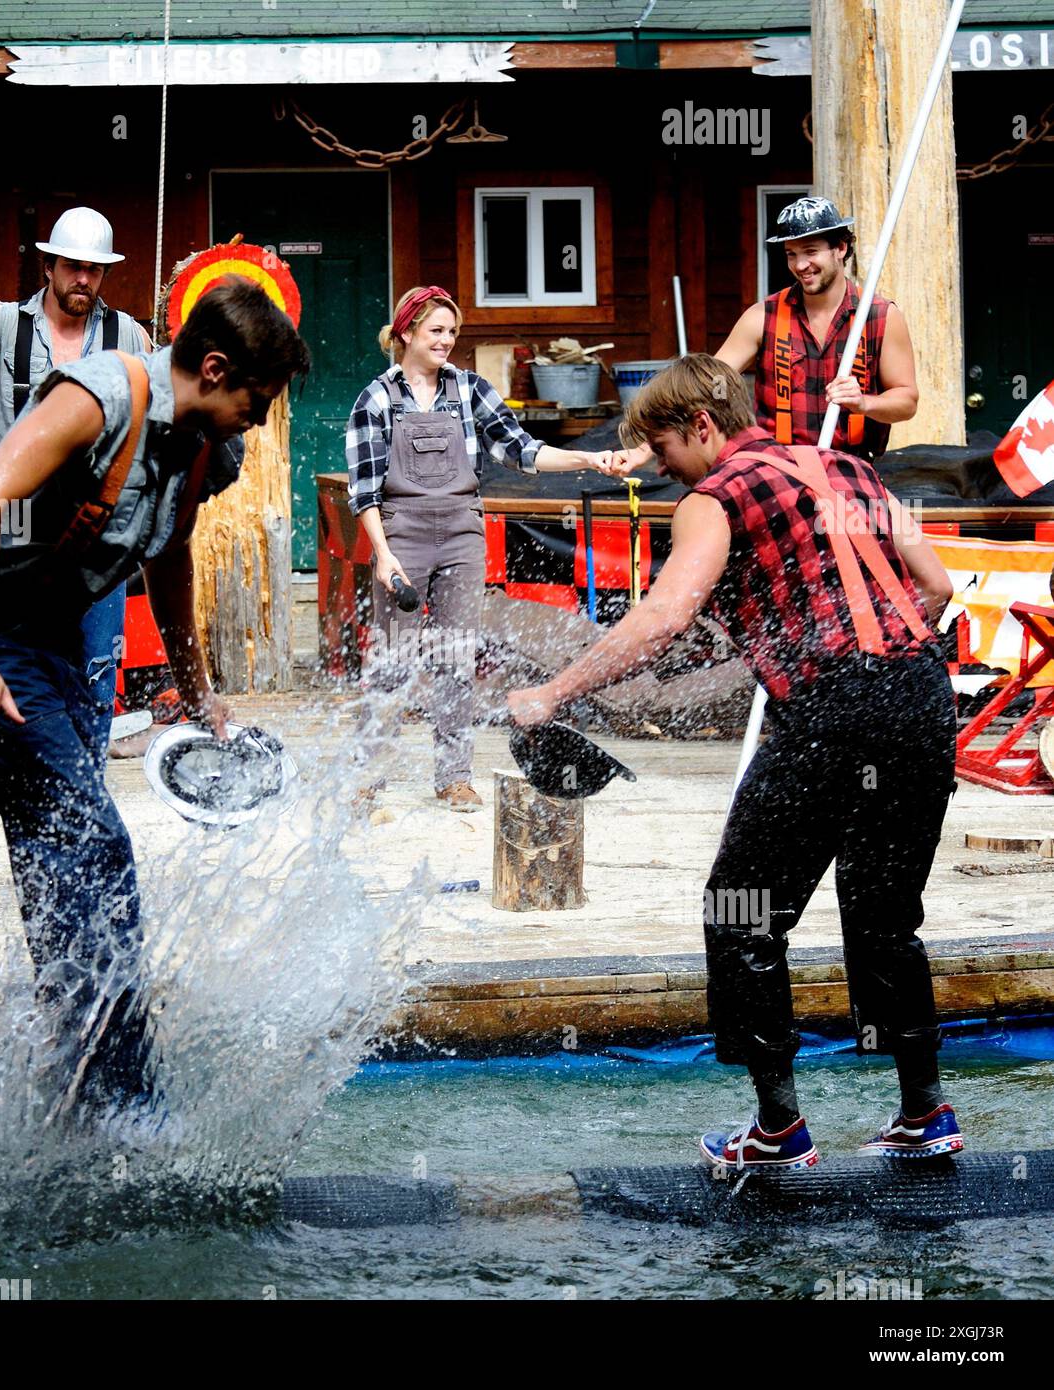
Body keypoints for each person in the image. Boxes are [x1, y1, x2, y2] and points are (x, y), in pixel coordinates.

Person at [508, 354, 963, 1167]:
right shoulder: (850, 468)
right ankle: (925, 1112)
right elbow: (935, 586)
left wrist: (556, 692)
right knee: (885, 912)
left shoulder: (716, 497)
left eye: (665, 450)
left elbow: (663, 617)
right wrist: (873, 656)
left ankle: (779, 1128)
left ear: (703, 427)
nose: (664, 471)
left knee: (742, 908)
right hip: (924, 698)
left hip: (832, 710)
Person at [0, 277, 310, 1116]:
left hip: (53, 650)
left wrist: (198, 694)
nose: (261, 417)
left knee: (59, 862)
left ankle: (71, 1081)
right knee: (95, 848)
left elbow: (170, 562)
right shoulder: (103, 393)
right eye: (258, 397)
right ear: (212, 368)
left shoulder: (206, 448)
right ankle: (123, 1101)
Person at [0, 204, 152, 841]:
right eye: (73, 266)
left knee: (95, 665)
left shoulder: (127, 336)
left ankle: (86, 793)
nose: (84, 279)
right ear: (49, 266)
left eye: (94, 270)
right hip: (11, 522)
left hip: (91, 528)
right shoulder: (6, 323)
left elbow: (153, 415)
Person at [347, 285, 617, 811]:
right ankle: (367, 775)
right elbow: (364, 490)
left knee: (456, 657)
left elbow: (523, 451)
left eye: (452, 331)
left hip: (461, 533)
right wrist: (382, 553)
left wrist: (589, 460)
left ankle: (453, 776)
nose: (446, 340)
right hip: (401, 534)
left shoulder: (470, 391)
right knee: (391, 659)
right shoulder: (376, 398)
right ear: (405, 333)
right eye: (435, 331)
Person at [609, 197, 917, 475]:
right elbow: (701, 389)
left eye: (811, 252)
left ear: (841, 248)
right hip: (778, 473)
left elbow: (906, 401)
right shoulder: (762, 318)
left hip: (855, 472)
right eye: (791, 254)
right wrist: (645, 449)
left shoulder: (880, 317)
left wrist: (863, 403)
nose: (800, 265)